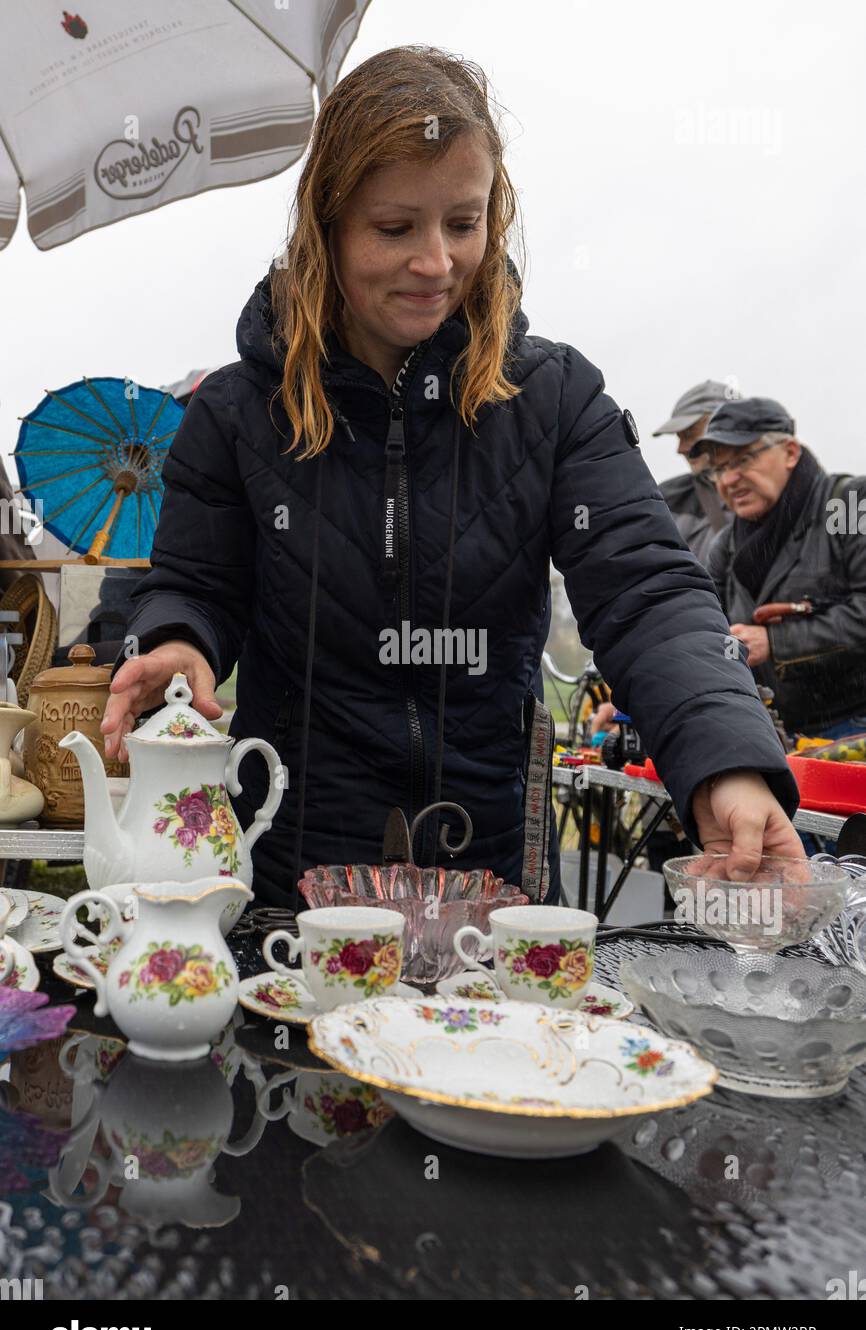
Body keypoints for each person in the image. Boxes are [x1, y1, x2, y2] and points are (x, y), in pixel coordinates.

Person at [101, 45, 803, 912]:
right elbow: (196, 585)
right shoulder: (240, 412)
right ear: (327, 227)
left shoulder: (553, 400)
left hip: (483, 881)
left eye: (463, 224)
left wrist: (725, 761)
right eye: (395, 228)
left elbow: (648, 593)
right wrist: (179, 645)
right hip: (287, 875)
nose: (435, 263)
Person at [702, 397, 866, 739]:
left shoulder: (850, 504)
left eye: (744, 459)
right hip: (771, 736)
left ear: (790, 452)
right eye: (718, 468)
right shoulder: (725, 546)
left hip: (855, 730)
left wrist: (775, 642)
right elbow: (700, 628)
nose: (729, 479)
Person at [653, 380, 739, 568]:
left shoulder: (775, 491)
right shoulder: (664, 498)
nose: (681, 449)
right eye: (679, 436)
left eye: (690, 434)